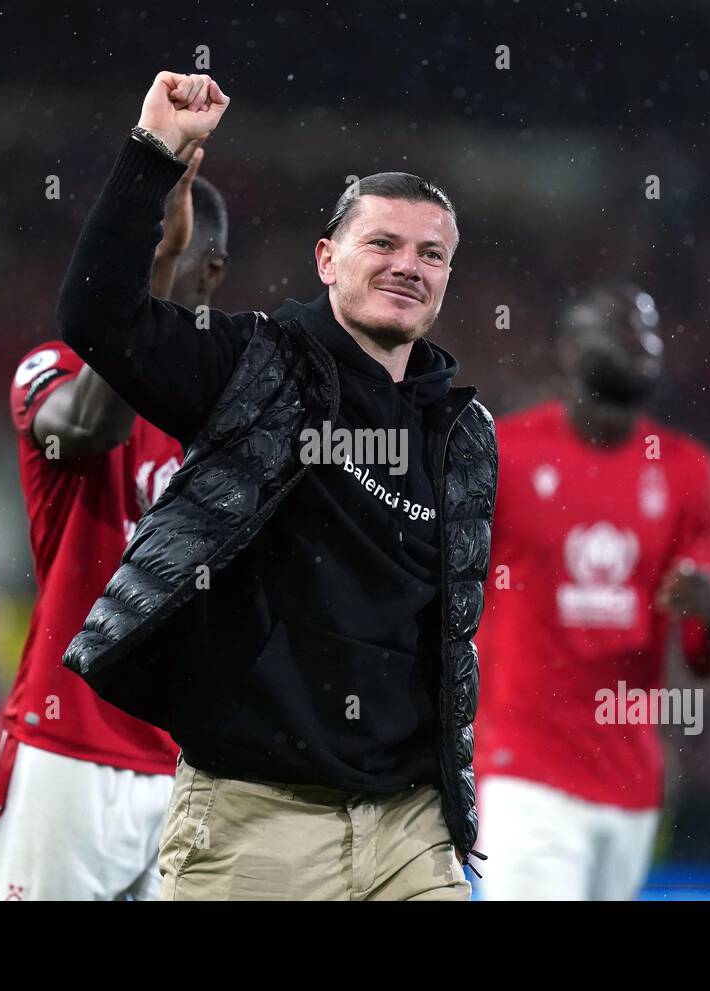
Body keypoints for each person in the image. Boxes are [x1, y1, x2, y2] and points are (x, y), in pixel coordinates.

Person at [57, 71, 496, 900]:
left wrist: (454, 804)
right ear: (327, 260)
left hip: (409, 827)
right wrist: (153, 151)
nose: (409, 266)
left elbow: (448, 635)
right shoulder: (254, 365)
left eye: (431, 254)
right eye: (384, 244)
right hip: (254, 820)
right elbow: (96, 316)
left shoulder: (465, 435)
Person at [0, 144, 229, 900]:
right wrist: (154, 273)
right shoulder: (49, 367)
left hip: (196, 772)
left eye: (165, 244)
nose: (137, 259)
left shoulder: (236, 411)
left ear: (210, 271)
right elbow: (90, 427)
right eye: (135, 244)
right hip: (68, 750)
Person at [475, 280, 710, 900]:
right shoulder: (503, 453)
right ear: (568, 350)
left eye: (648, 329)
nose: (639, 339)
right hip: (523, 774)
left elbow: (705, 657)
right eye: (619, 327)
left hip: (631, 786)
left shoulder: (686, 471)